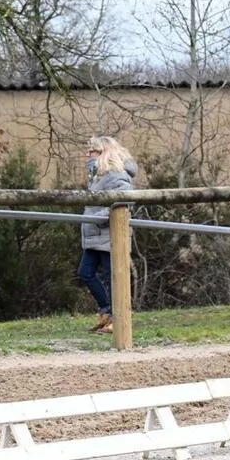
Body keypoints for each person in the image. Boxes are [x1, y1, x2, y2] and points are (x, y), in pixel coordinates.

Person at [79, 136, 137, 334]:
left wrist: (99, 218)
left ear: (104, 153)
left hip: (108, 235)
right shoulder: (98, 177)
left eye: (92, 152)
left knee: (112, 277)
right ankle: (106, 311)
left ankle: (117, 317)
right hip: (94, 236)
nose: (88, 156)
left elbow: (124, 203)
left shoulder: (117, 175)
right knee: (85, 273)